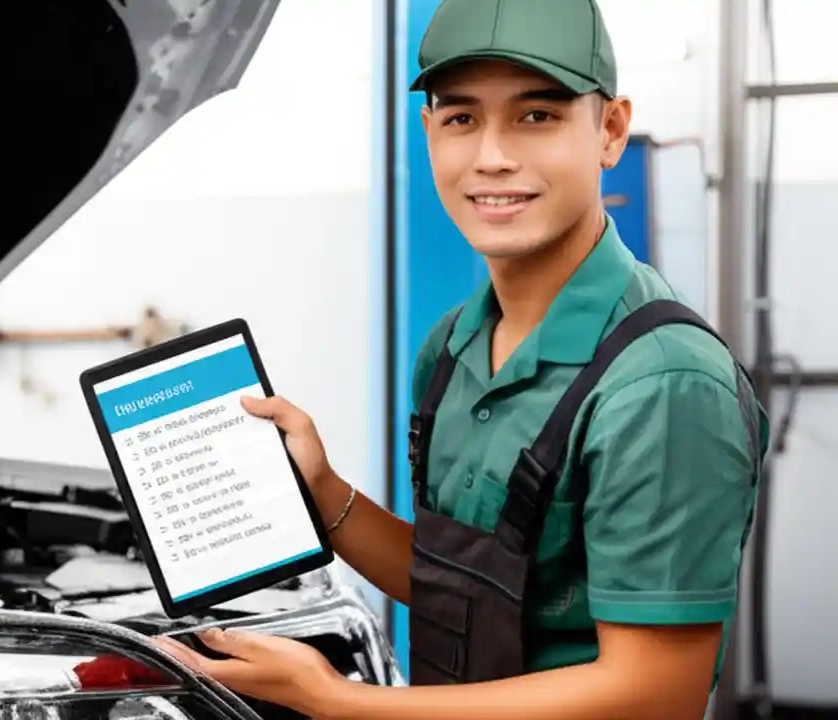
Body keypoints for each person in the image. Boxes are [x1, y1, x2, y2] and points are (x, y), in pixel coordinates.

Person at [154, 0, 769, 718]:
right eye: (461, 119)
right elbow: (467, 590)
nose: (492, 156)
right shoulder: (451, 347)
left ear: (610, 130)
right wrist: (324, 492)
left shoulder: (663, 384)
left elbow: (656, 693)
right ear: (429, 133)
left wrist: (338, 702)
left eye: (536, 116)